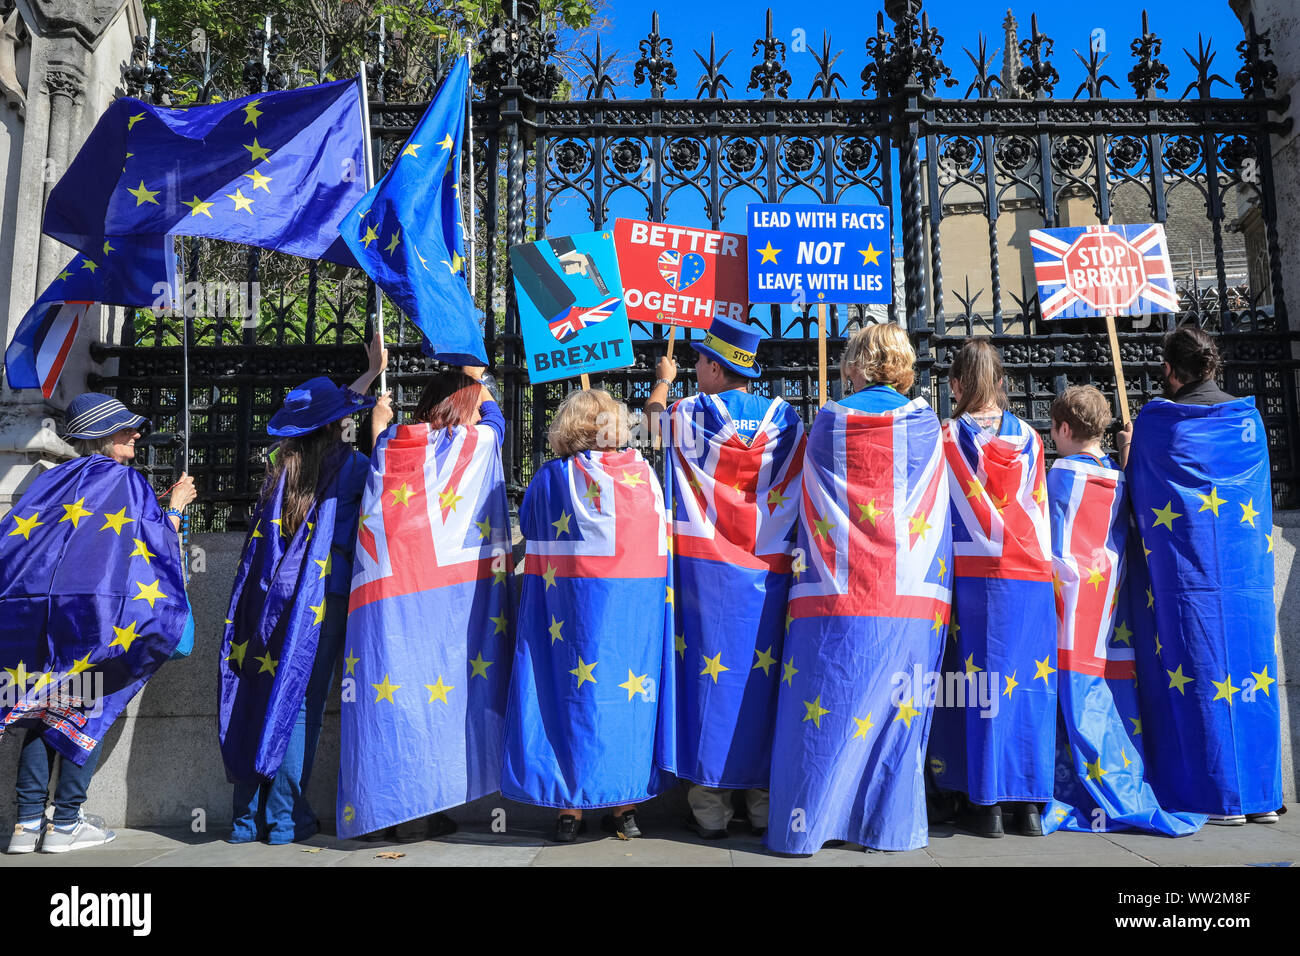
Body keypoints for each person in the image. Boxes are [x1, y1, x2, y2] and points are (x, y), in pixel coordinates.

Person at [767, 323, 952, 854]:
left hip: (835, 595)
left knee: (824, 711)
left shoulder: (828, 421)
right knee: (898, 719)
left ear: (856, 362)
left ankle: (812, 824)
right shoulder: (924, 423)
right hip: (907, 594)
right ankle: (887, 827)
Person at [3, 393, 195, 853]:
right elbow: (152, 547)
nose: (135, 434)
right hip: (102, 618)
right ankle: (66, 822)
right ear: (101, 437)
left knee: (39, 709)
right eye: (124, 428)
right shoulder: (125, 480)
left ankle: (27, 826)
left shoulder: (53, 481)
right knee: (85, 709)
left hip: (46, 618)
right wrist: (177, 509)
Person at [218, 332, 388, 844]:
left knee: (260, 694)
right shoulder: (355, 465)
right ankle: (285, 820)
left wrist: (368, 374)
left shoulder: (279, 468)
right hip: (322, 600)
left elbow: (314, 416)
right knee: (302, 706)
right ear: (338, 423)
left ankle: (246, 821)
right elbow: (382, 493)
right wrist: (377, 434)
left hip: (268, 601)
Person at [645, 314, 805, 840]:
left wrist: (663, 380)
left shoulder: (688, 413)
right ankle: (761, 804)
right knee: (762, 683)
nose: (692, 368)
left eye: (697, 361)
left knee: (711, 682)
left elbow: (647, 425)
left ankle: (710, 807)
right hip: (771, 572)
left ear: (716, 367)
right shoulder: (789, 421)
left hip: (705, 573)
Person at [337, 365, 513, 842]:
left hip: (393, 598)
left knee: (397, 696)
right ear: (465, 406)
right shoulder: (477, 444)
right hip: (450, 596)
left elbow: (378, 452)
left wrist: (379, 418)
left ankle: (387, 808)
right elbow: (498, 424)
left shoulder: (398, 445)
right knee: (443, 695)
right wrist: (480, 378)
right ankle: (426, 806)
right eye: (475, 401)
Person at [1122, 324, 1281, 825]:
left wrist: (1129, 451)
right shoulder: (1248, 420)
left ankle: (1217, 797)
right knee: (1253, 674)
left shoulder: (1156, 421)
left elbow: (1137, 491)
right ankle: (1260, 794)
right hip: (1244, 581)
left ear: (1169, 370)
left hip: (1187, 579)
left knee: (1197, 673)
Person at [503, 388, 669, 842]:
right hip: (631, 610)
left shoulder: (551, 478)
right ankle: (624, 807)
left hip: (568, 608)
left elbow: (533, 526)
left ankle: (569, 809)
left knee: (567, 694)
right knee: (626, 698)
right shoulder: (643, 473)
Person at [1040, 385, 1201, 836]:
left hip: (1063, 599)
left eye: (1053, 430)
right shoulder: (1117, 475)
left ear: (1065, 429)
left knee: (1069, 696)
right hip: (1104, 598)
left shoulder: (1058, 476)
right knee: (1089, 690)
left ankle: (1081, 787)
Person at [926, 338, 1055, 838]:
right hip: (1029, 576)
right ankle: (1029, 804)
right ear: (1001, 382)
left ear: (956, 384)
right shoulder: (1030, 437)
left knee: (972, 688)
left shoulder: (948, 437)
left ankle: (985, 804)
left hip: (972, 575)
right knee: (1026, 687)